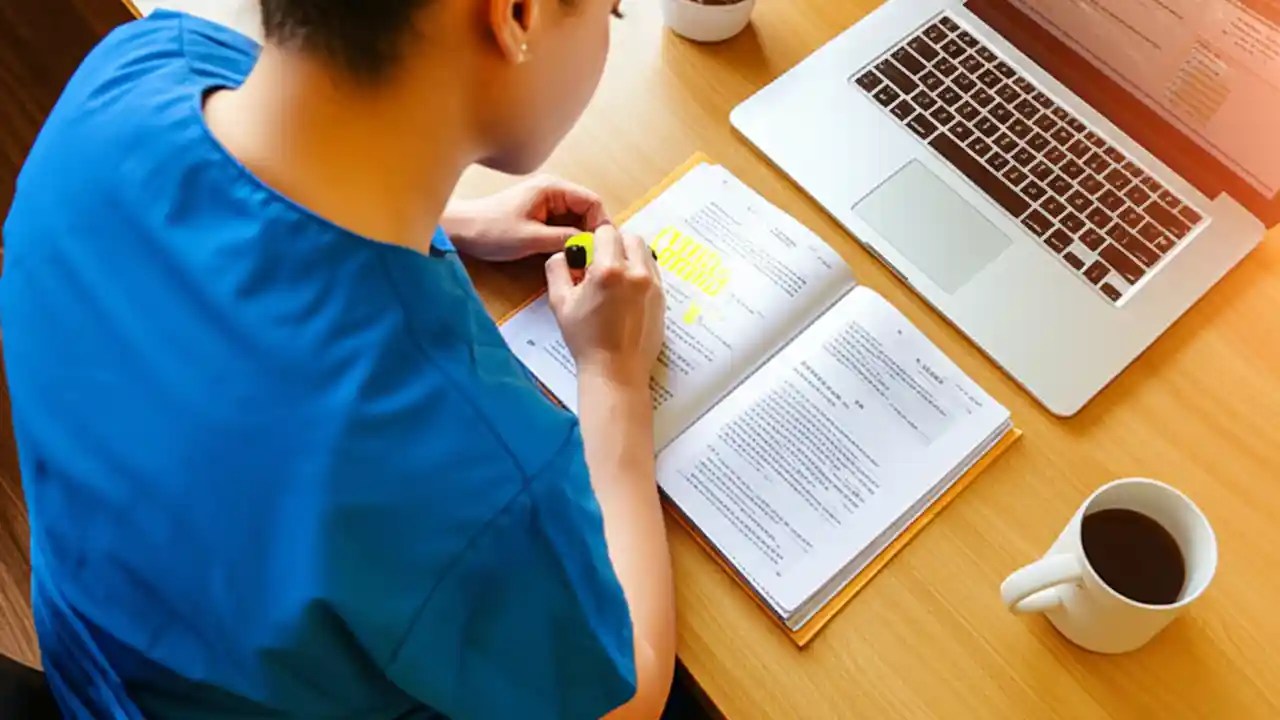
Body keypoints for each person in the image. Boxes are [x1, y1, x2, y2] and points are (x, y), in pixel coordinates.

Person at [0, 0, 676, 717]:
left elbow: (258, 184)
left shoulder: (137, 66)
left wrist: (437, 216)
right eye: (613, 9)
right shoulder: (467, 469)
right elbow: (626, 699)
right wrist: (613, 377)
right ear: (517, 14)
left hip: (100, 665)